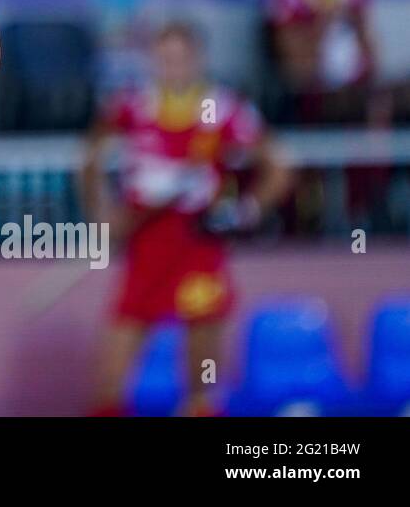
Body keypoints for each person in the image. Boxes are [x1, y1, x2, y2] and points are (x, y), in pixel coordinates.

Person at [80, 22, 292, 416]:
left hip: (198, 252)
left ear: (197, 59)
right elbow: (90, 157)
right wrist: (101, 216)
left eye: (181, 58)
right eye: (164, 58)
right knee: (109, 386)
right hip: (145, 253)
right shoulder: (132, 105)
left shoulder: (223, 109)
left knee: (201, 388)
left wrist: (244, 210)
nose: (172, 66)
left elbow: (278, 168)